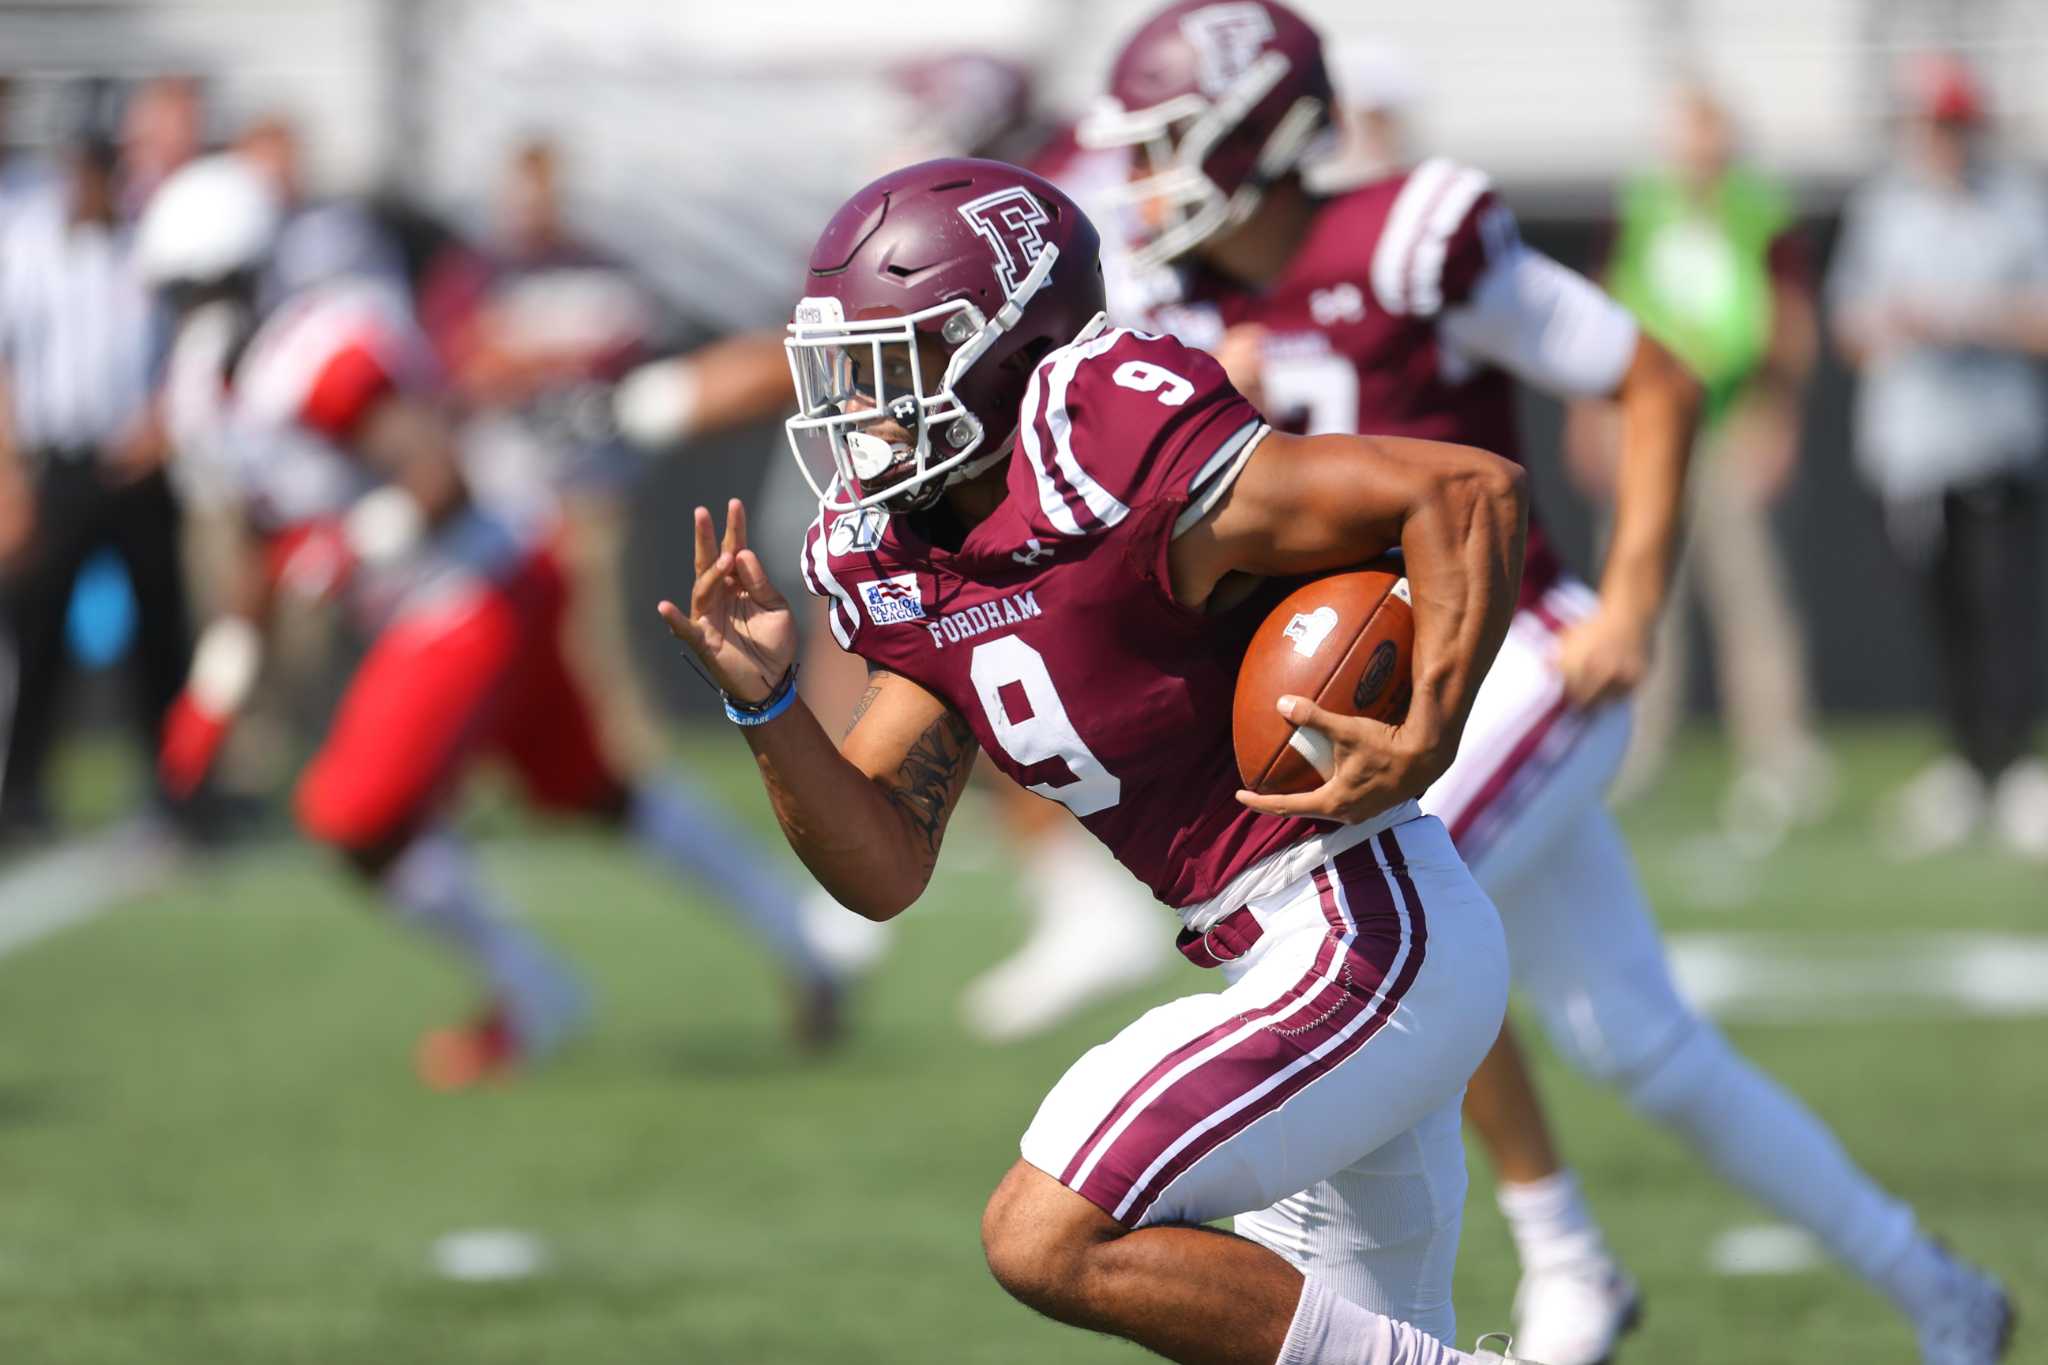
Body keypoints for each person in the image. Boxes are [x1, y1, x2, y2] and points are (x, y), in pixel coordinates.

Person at [1074, 5, 2012, 1363]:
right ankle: (1942, 1293)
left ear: (1264, 137)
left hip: (1514, 652)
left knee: (1381, 913)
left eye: (1173, 143)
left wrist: (1628, 599)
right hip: (1363, 672)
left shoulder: (1405, 239)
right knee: (1646, 1047)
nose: (1150, 178)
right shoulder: (1168, 313)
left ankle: (1562, 1255)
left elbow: (1652, 379)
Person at [666, 155, 1533, 1362]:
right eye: (850, 372)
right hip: (1284, 953)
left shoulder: (1107, 446)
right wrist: (766, 708)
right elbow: (878, 866)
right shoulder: (904, 557)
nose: (863, 407)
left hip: (1359, 929)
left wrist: (1427, 729)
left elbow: (1464, 491)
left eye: (895, 363)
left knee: (1047, 1231)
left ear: (1004, 345)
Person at [136, 155, 843, 1087]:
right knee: (594, 791)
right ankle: (804, 940)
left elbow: (438, 477)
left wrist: (350, 545)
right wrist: (216, 686)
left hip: (470, 588)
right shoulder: (204, 388)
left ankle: (538, 987)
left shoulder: (321, 353)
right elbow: (256, 549)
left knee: (354, 816)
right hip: (471, 585)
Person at [1575, 81, 1832, 849]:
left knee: (1751, 595)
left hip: (1728, 420)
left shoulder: (1759, 208)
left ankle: (1778, 752)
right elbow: (1599, 308)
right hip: (1645, 421)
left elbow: (1788, 317)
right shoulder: (1640, 205)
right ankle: (1629, 750)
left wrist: (1777, 410)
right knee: (1636, 592)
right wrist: (1590, 410)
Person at [1828, 52, 2048, 861]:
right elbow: (1849, 325)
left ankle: (2015, 764)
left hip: (1996, 441)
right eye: (1932, 123)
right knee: (1941, 610)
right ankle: (1964, 762)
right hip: (1912, 452)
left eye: (1954, 124)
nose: (1942, 139)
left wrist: (1971, 319)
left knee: (2005, 609)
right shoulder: (1884, 207)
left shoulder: (2018, 204)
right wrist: (1895, 323)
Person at [0, 98, 189, 841]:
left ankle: (175, 789)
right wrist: (11, 475)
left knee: (160, 632)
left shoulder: (150, 242)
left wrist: (162, 426)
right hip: (59, 464)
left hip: (138, 465)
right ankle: (21, 791)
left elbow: (186, 348)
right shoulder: (26, 245)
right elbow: (7, 364)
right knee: (36, 633)